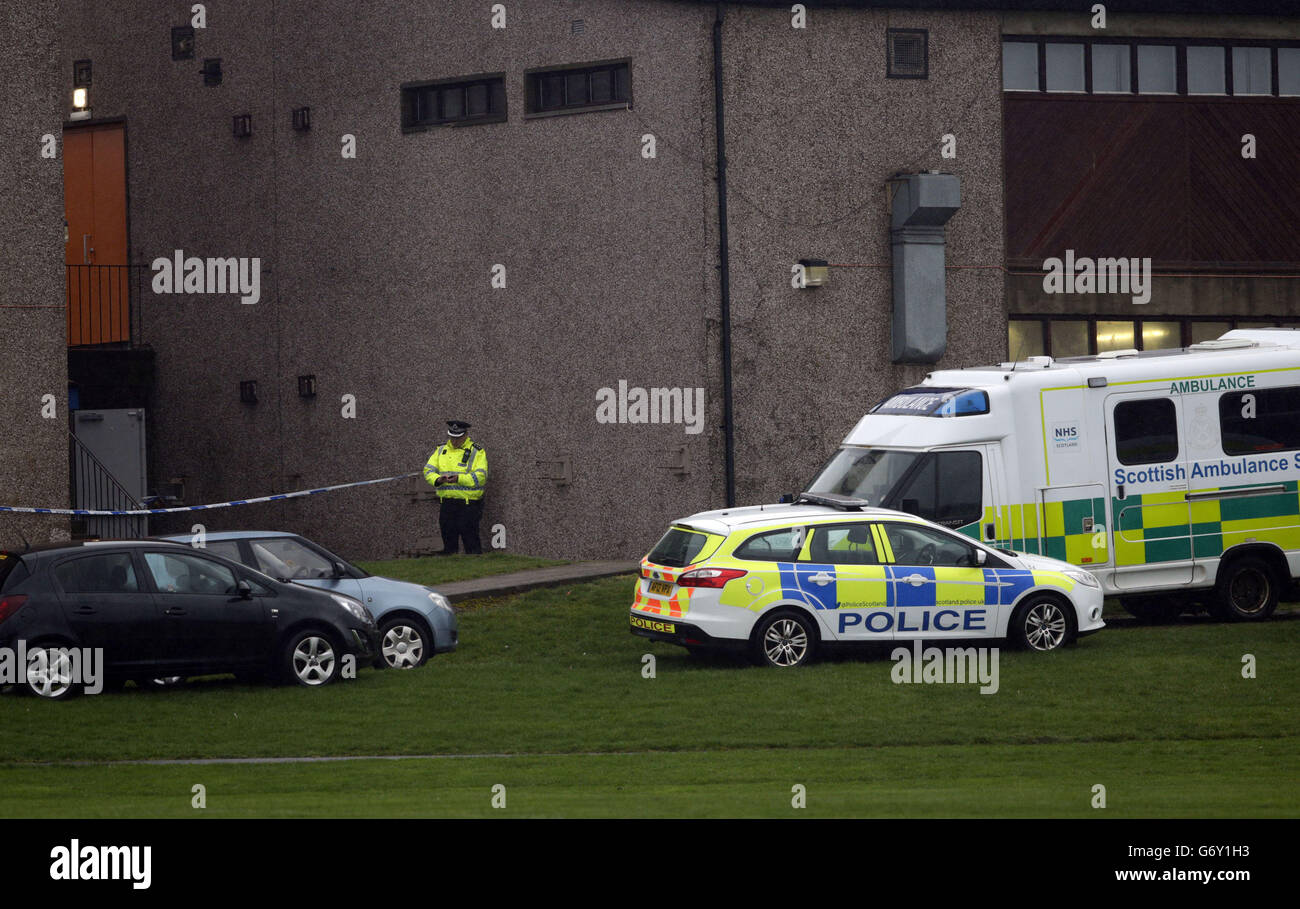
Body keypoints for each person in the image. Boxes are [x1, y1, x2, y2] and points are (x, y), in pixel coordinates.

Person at [423, 420, 488, 555]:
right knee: (448, 542)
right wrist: (437, 479)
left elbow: (481, 476)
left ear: (465, 435)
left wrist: (459, 479)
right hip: (447, 503)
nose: (454, 440)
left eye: (458, 437)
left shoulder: (476, 451)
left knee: (471, 542)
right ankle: (451, 567)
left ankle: (475, 569)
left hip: (469, 504)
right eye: (452, 436)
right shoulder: (441, 450)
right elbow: (428, 471)